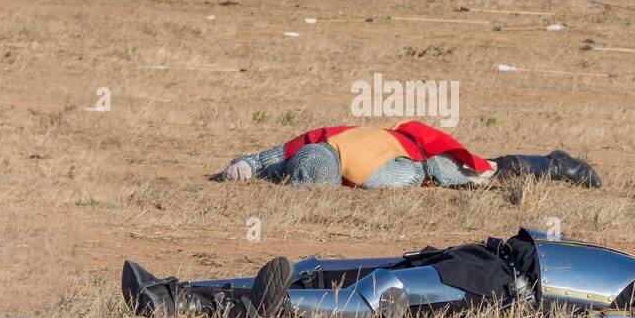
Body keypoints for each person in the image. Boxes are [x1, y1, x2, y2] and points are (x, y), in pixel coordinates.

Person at [121, 228, 635, 318]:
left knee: (379, 296)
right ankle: (172, 295)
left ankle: (275, 313)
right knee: (326, 268)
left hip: (497, 289)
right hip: (493, 258)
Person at [213, 120, 601, 189]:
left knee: (482, 173)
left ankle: (556, 165)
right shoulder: (309, 147)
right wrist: (242, 167)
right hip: (407, 163)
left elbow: (416, 169)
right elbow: (266, 158)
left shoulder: (329, 142)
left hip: (416, 154)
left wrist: (423, 174)